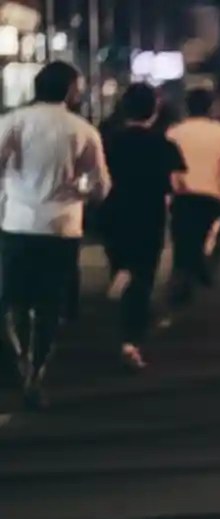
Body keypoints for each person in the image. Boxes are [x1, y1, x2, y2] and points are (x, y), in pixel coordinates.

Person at [0, 62, 111, 410]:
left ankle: (19, 358)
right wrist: (76, 191)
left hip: (17, 223)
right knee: (49, 303)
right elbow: (100, 185)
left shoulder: (13, 122)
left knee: (15, 299)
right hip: (62, 227)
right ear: (69, 90)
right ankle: (37, 372)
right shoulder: (82, 129)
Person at [100, 83, 186, 372]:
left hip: (114, 212)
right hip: (149, 215)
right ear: (154, 111)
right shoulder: (163, 144)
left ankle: (120, 277)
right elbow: (175, 185)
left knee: (121, 262)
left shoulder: (108, 141)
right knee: (144, 275)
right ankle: (130, 341)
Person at [167, 89, 220, 288]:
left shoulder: (174, 132)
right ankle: (205, 272)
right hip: (215, 199)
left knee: (183, 245)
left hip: (183, 198)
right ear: (211, 107)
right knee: (212, 242)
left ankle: (184, 277)